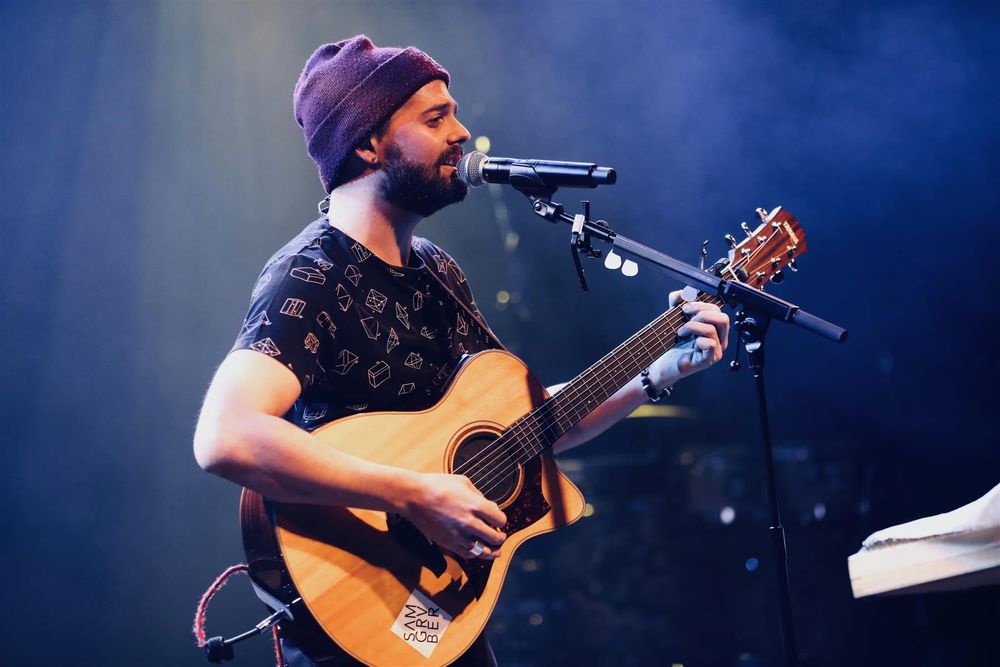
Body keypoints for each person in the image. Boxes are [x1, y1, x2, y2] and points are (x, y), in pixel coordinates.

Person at [193, 35, 730, 667]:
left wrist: (655, 373)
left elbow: (526, 427)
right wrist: (415, 494)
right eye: (434, 117)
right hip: (351, 604)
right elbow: (225, 437)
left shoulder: (436, 271)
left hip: (433, 608)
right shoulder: (312, 275)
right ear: (367, 144)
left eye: (454, 112)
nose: (461, 132)